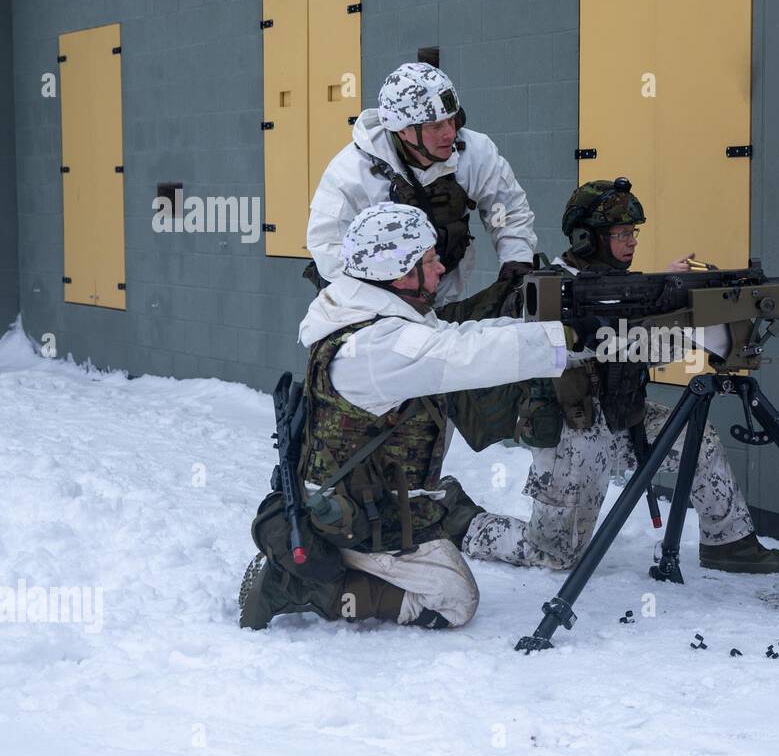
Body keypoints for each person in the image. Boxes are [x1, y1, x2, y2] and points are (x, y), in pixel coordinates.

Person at [239, 203, 590, 632]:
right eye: (428, 260)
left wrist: (557, 337)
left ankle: (412, 525)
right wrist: (559, 341)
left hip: (366, 494)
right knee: (454, 601)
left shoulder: (371, 315)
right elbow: (465, 356)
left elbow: (457, 337)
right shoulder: (377, 348)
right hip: (359, 516)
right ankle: (300, 586)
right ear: (399, 272)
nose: (441, 267)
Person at [463, 178, 779, 575]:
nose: (631, 242)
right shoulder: (545, 288)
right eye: (620, 234)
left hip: (624, 417)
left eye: (633, 232)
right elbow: (552, 345)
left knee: (697, 439)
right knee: (555, 554)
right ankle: (464, 522)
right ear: (587, 238)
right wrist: (614, 327)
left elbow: (648, 352)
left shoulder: (630, 288)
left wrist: (679, 305)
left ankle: (729, 542)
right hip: (573, 434)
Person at [305, 62, 536, 307]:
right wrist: (392, 305)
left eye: (452, 120)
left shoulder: (475, 153)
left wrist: (516, 262)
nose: (449, 133)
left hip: (443, 294)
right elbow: (329, 249)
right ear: (402, 130)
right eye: (435, 126)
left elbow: (506, 213)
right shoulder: (351, 175)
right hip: (373, 305)